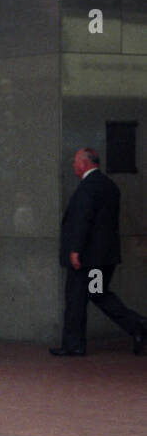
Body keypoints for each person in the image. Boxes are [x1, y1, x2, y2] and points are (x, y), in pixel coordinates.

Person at [51, 147, 146, 356]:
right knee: (97, 293)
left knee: (76, 298)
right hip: (103, 259)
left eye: (76, 161)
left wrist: (75, 250)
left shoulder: (88, 188)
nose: (74, 165)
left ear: (84, 163)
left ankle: (74, 344)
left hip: (86, 259)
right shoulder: (109, 186)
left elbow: (82, 220)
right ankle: (137, 325)